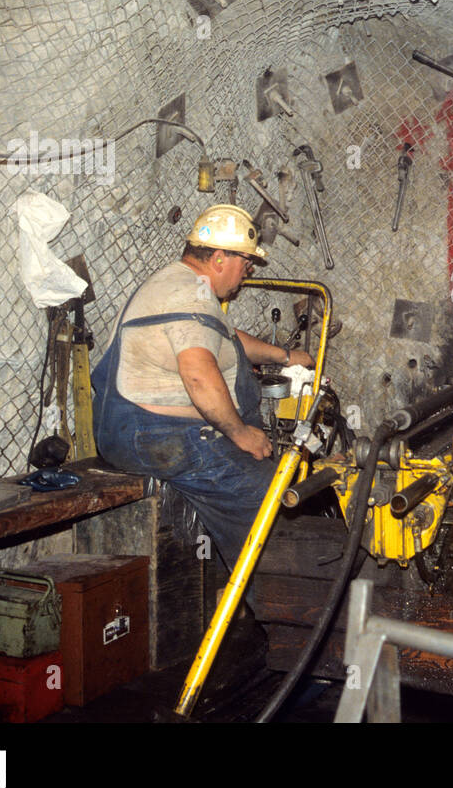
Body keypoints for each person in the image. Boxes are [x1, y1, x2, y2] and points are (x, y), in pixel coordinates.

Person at [92, 204, 313, 567]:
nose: (248, 272)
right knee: (270, 500)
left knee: (259, 485)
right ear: (220, 258)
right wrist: (240, 432)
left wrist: (284, 356)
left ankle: (236, 595)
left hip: (151, 431)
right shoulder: (188, 293)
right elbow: (197, 372)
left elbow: (228, 339)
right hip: (152, 433)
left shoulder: (185, 287)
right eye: (246, 262)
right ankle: (289, 608)